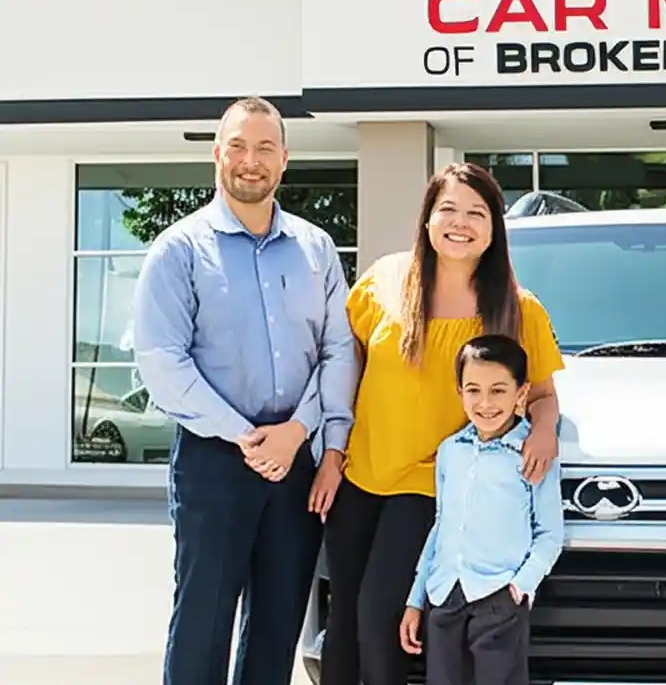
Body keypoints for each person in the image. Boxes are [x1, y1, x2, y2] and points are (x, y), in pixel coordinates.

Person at [132, 96, 358, 685]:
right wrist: (251, 437)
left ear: (285, 159)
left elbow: (338, 350)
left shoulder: (317, 249)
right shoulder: (180, 250)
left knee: (278, 625)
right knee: (203, 622)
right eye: (238, 145)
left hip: (298, 463)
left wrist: (303, 433)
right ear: (217, 154)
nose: (250, 161)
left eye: (264, 148)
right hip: (215, 459)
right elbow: (163, 362)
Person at [321, 161, 565, 685]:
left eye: (478, 213)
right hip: (360, 475)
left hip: (428, 484)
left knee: (378, 616)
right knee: (341, 621)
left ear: (494, 227)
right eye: (448, 209)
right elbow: (344, 373)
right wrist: (332, 455)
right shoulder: (383, 282)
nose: (461, 222)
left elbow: (542, 394)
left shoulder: (519, 310)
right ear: (427, 218)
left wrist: (544, 431)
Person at [399, 334, 566, 685]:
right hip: (445, 597)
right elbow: (442, 525)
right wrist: (416, 599)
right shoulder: (450, 451)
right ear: (459, 392)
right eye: (473, 390)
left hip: (499, 599)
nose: (485, 402)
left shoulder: (531, 453)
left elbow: (549, 533)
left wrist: (521, 586)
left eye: (498, 390)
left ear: (521, 393)